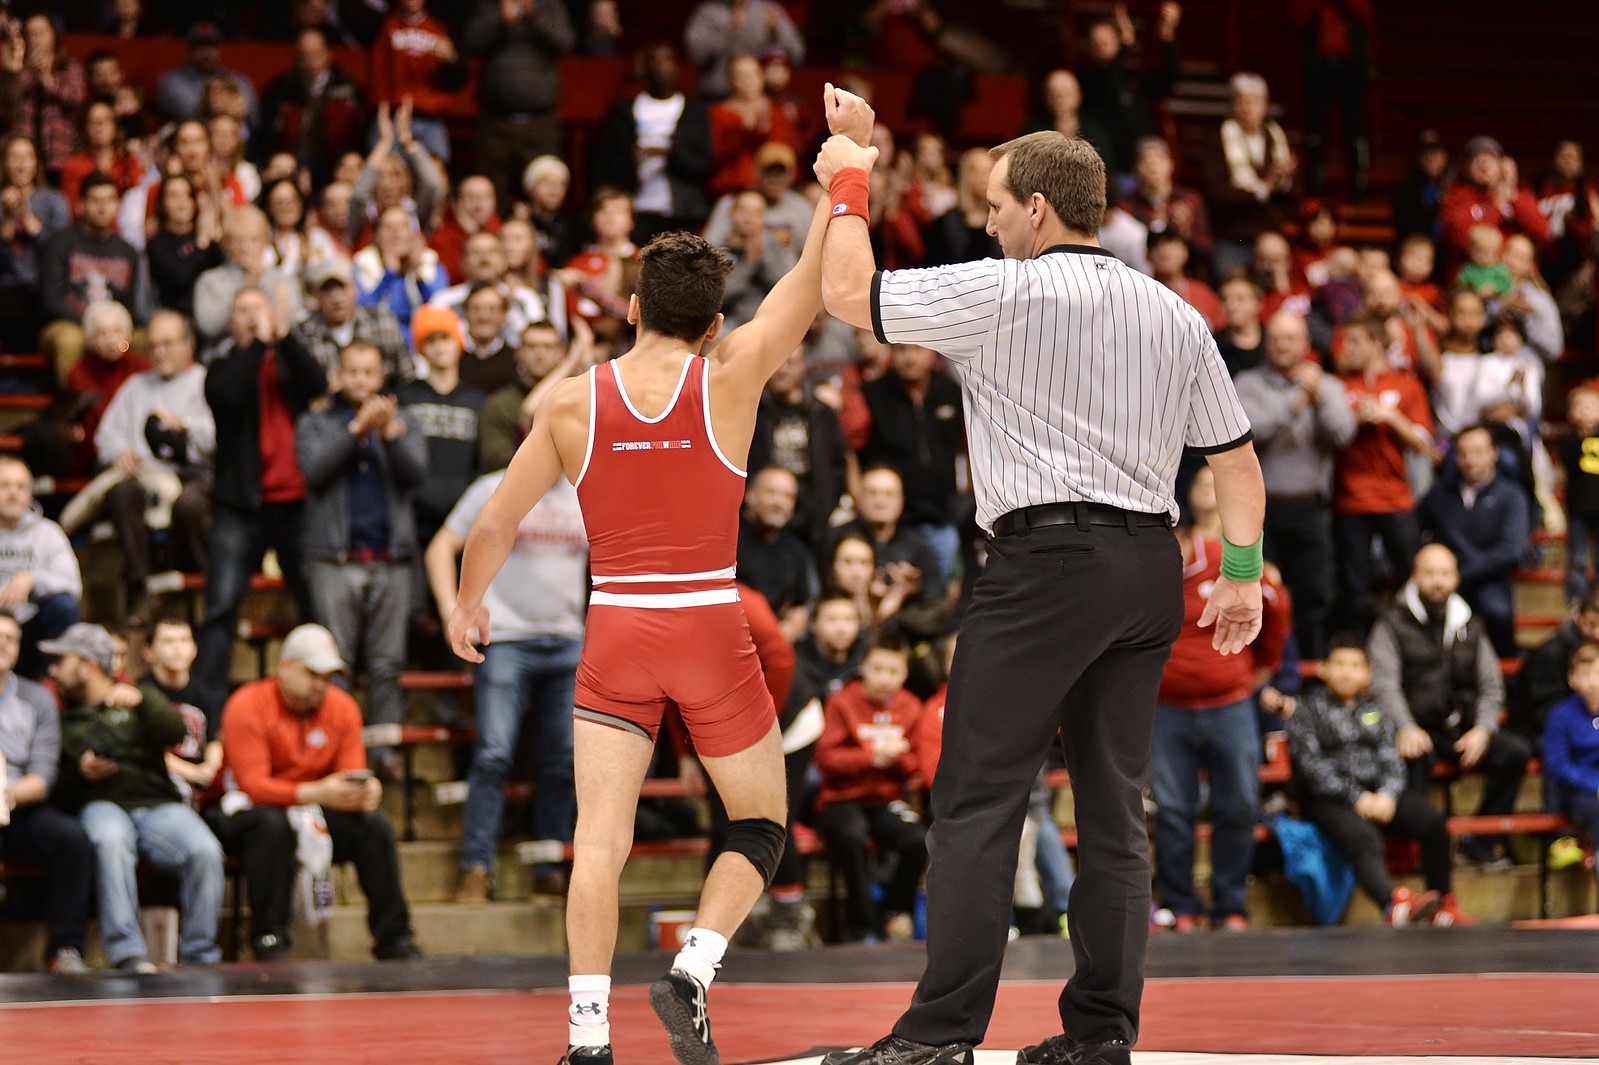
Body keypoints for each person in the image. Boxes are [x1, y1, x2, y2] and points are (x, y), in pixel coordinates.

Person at [814, 117, 1264, 1065]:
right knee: (1114, 809)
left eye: (992, 208)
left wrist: (850, 175)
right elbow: (1234, 461)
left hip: (1044, 564)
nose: (985, 225)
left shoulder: (1002, 288)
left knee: (976, 800)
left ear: (1035, 207)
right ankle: (1101, 1032)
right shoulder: (1174, 310)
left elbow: (846, 291)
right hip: (1146, 567)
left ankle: (939, 1035)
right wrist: (1238, 576)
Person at [445, 84, 852, 1065]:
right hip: (710, 622)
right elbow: (812, 282)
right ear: (712, 323)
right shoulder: (734, 373)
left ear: (630, 310)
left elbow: (493, 523)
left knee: (600, 841)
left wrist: (466, 606)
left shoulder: (571, 402)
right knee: (760, 820)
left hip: (618, 627)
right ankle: (693, 968)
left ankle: (587, 1039)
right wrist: (845, 175)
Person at [210, 624, 421, 961]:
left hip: (314, 810)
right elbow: (254, 785)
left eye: (328, 676)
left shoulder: (342, 707)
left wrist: (364, 792)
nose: (321, 684)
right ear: (285, 667)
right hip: (246, 810)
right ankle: (269, 939)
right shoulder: (247, 704)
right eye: (312, 674)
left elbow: (350, 775)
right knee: (271, 827)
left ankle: (395, 938)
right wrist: (317, 792)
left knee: (374, 826)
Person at [426, 463, 588, 902]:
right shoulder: (492, 487)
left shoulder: (586, 488)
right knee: (494, 753)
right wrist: (454, 612)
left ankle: (548, 865)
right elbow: (440, 548)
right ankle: (476, 867)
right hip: (506, 639)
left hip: (567, 640)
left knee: (565, 758)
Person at [50, 622, 225, 972]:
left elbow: (175, 732)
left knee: (206, 850)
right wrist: (81, 773)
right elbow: (56, 790)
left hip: (158, 804)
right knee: (111, 842)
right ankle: (127, 952)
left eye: (61, 661)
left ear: (87, 666)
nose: (53, 670)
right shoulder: (61, 719)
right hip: (101, 803)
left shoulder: (140, 696)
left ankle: (200, 954)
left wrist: (144, 702)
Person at [1152, 509, 1289, 932]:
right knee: (1172, 810)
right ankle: (1181, 905)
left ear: (1184, 530)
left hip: (1229, 705)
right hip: (1166, 709)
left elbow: (1276, 603)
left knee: (1241, 804)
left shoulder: (1221, 558)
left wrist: (1265, 666)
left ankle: (1231, 906)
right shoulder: (1142, 570)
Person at [295, 341, 427, 778]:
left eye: (369, 372)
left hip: (392, 560)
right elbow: (314, 471)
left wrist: (388, 436)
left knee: (388, 663)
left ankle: (383, 754)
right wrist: (355, 429)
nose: (361, 380)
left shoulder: (404, 421)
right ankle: (337, 753)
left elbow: (416, 475)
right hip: (334, 560)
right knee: (338, 664)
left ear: (382, 376)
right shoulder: (316, 422)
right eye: (353, 371)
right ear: (338, 374)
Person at [194, 288, 325, 721]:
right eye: (242, 310)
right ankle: (207, 715)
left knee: (314, 605)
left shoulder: (288, 361)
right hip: (240, 505)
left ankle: (322, 704)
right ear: (230, 322)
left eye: (258, 309)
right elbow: (229, 396)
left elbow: (318, 384)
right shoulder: (222, 367)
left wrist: (283, 339)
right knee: (220, 608)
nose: (251, 317)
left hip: (296, 506)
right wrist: (258, 347)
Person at [1367, 543, 1531, 866]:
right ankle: (1410, 855)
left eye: (1444, 573)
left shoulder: (1470, 623)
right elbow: (1384, 684)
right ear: (1414, 577)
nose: (1437, 581)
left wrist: (1483, 730)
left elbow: (1491, 685)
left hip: (1462, 728)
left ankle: (1479, 845)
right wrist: (1405, 727)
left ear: (1456, 578)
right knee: (1409, 757)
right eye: (1429, 573)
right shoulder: (1390, 623)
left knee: (1515, 753)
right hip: (1415, 729)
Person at [1286, 636, 1465, 926]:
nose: (1347, 672)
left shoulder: (1375, 711)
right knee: (1363, 836)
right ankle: (1392, 905)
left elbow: (1392, 759)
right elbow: (1311, 766)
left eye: (1355, 665)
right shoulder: (1306, 711)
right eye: (1339, 664)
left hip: (1378, 794)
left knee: (1432, 822)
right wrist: (1356, 797)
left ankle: (1442, 904)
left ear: (1367, 673)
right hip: (1328, 799)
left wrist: (1387, 795)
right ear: (1323, 669)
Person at [1234, 311, 1355, 658]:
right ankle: (1262, 670)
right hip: (1260, 508)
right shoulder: (1247, 384)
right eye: (1276, 338)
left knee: (1313, 594)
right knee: (1259, 593)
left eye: (1290, 339)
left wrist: (1319, 396)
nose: (1282, 345)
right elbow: (1248, 433)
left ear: (1305, 344)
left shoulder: (1326, 385)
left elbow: (1343, 434)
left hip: (1310, 507)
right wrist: (1297, 400)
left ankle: (1309, 668)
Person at [88, 309, 215, 622]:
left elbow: (220, 436)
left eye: (168, 344)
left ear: (189, 344)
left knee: (190, 504)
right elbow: (106, 436)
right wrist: (120, 452)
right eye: (154, 345)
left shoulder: (207, 382)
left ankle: (207, 592)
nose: (159, 352)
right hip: (145, 477)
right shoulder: (136, 386)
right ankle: (142, 588)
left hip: (193, 476)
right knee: (121, 493)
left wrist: (185, 426)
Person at [814, 631, 928, 943]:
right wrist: (870, 758)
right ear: (863, 667)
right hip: (840, 799)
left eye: (893, 671)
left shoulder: (910, 706)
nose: (884, 679)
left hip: (886, 799)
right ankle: (862, 926)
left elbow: (915, 764)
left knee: (918, 840)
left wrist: (897, 759)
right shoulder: (842, 702)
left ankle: (896, 914)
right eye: (878, 669)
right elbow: (826, 759)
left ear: (905, 673)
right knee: (851, 837)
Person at [0, 612, 94, 974]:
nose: (3, 643)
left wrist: (6, 797)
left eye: (11, 638)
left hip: (18, 803)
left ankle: (64, 950)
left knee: (71, 839)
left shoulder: (38, 699)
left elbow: (42, 777)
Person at [1330, 309, 1434, 636]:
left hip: (1396, 498)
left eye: (1355, 341)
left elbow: (1423, 444)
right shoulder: (1337, 385)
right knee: (1353, 588)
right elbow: (1326, 438)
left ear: (1376, 343)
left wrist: (1390, 417)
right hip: (1350, 500)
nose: (1346, 348)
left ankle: (1416, 642)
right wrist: (1354, 420)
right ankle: (1357, 651)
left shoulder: (1407, 384)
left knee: (1411, 580)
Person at [1417, 424, 1530, 657]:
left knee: (1497, 611)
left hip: (1490, 578)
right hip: (1442, 579)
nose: (1470, 460)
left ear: (1494, 453)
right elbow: (1413, 530)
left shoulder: (1512, 495)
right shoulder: (1439, 494)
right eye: (1462, 453)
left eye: (1478, 452)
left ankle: (1504, 667)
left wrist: (1462, 571)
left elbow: (1511, 550)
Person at [592, 43, 714, 245]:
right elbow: (605, 161)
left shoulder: (694, 112)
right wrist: (630, 159)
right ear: (644, 69)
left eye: (666, 60)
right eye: (655, 62)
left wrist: (670, 154)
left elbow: (704, 165)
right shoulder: (624, 111)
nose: (661, 67)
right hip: (636, 210)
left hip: (683, 212)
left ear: (677, 68)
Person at [461, 0, 576, 205]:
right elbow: (471, 41)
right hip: (495, 121)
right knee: (491, 194)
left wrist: (534, 15)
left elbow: (564, 41)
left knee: (543, 193)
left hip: (540, 123)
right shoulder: (491, 5)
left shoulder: (549, 5)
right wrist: (501, 22)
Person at [0, 455, 81, 680]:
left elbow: (72, 585)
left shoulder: (49, 532)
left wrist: (32, 579)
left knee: (64, 606)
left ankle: (48, 683)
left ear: (30, 493)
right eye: (5, 485)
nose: (13, 493)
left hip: (31, 628)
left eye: (21, 486)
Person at [1545, 641, 1599, 896]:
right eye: (1585, 674)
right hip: (1576, 793)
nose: (1593, 682)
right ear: (1572, 679)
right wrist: (1594, 786)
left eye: (1597, 674)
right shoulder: (1561, 715)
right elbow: (1557, 765)